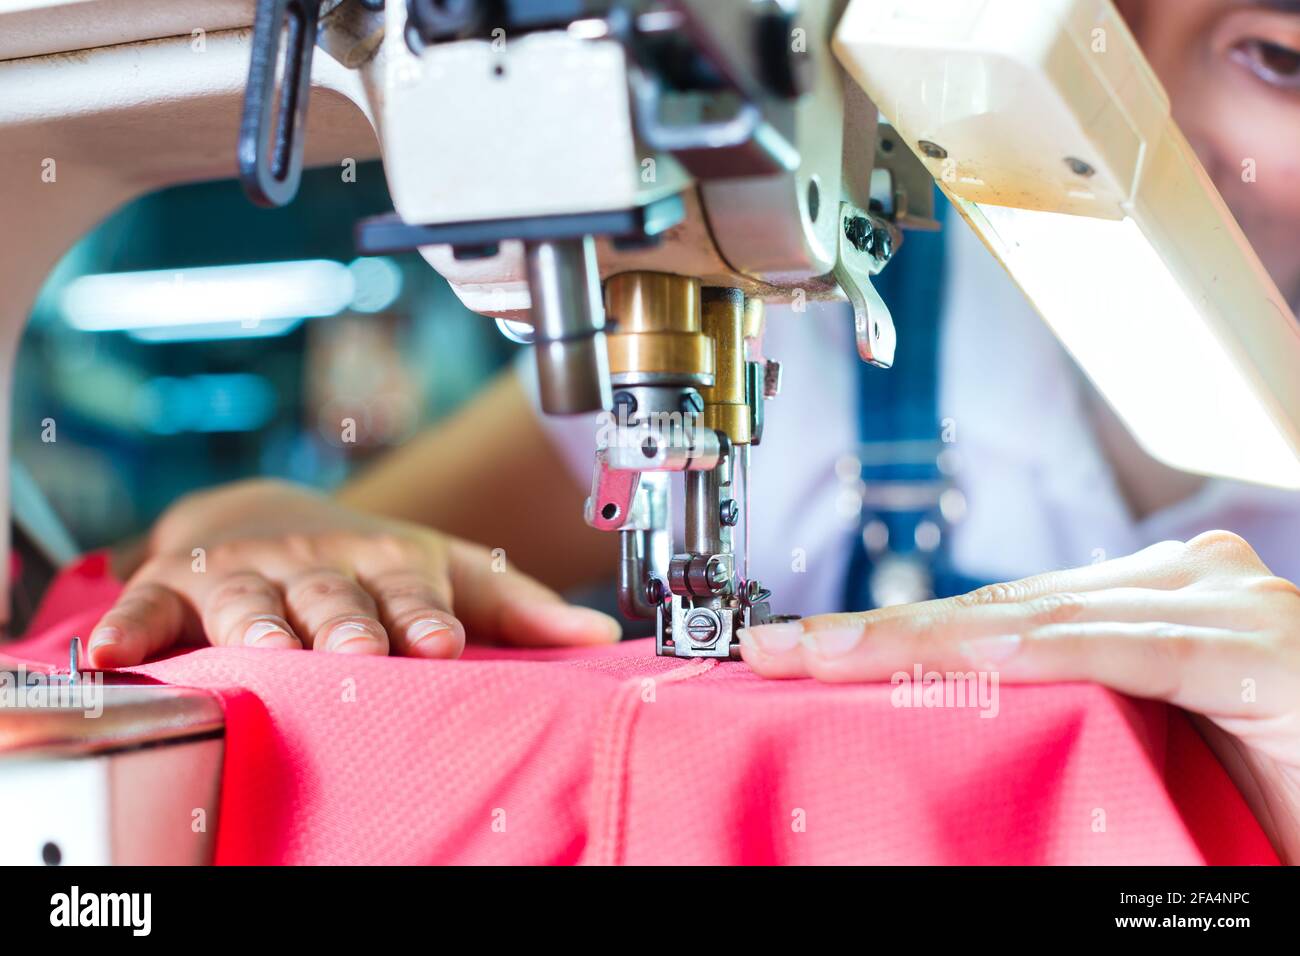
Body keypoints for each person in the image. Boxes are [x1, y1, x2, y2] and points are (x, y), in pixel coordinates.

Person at [81, 0, 1300, 861]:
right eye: (1274, 54)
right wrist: (246, 524)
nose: (1155, 119)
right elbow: (338, 522)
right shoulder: (838, 318)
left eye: (1276, 57)